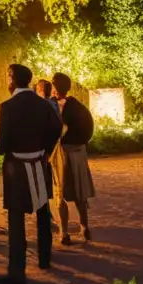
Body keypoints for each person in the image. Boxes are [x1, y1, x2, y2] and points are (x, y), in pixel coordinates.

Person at [0, 63, 63, 284]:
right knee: (42, 213)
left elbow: (1, 146)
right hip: (39, 163)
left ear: (13, 79)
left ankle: (17, 271)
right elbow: (56, 128)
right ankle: (44, 259)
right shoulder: (43, 105)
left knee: (16, 219)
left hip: (17, 168)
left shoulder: (7, 107)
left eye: (8, 77)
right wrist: (43, 148)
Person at [50, 73, 96, 245]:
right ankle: (84, 227)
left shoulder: (55, 107)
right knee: (79, 192)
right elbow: (89, 129)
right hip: (78, 152)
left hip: (62, 152)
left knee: (59, 192)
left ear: (55, 88)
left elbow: (57, 131)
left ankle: (63, 232)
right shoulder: (79, 107)